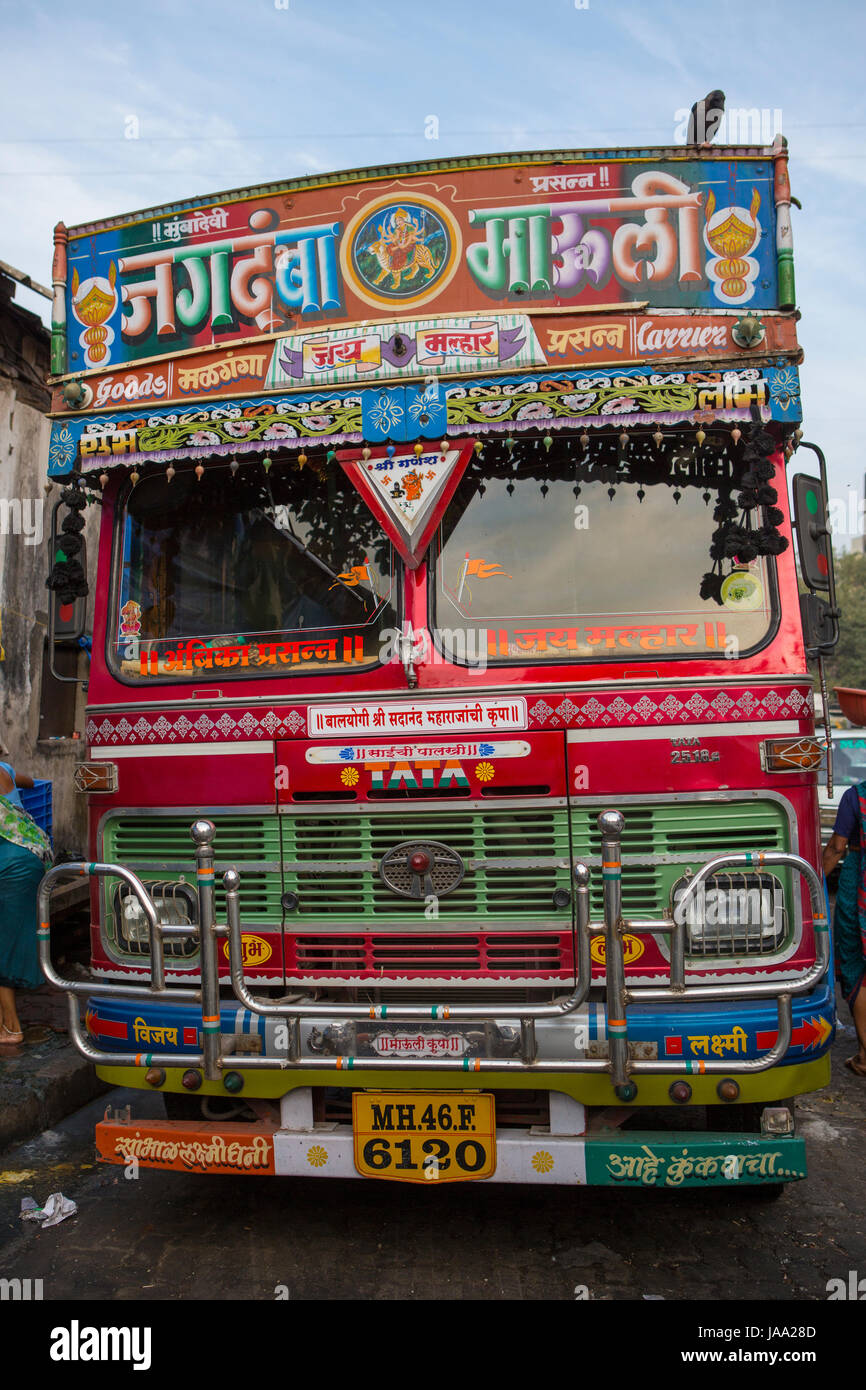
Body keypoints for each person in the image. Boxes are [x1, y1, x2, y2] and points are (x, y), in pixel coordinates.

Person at [0, 754, 51, 1044]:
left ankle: (11, 1028)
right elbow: (30, 782)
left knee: (4, 947)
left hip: (11, 866)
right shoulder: (4, 769)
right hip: (30, 856)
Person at [823, 779, 866, 1077]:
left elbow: (837, 847)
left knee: (856, 966)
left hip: (858, 887)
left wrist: (808, 882)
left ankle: (865, 1055)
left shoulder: (857, 796)